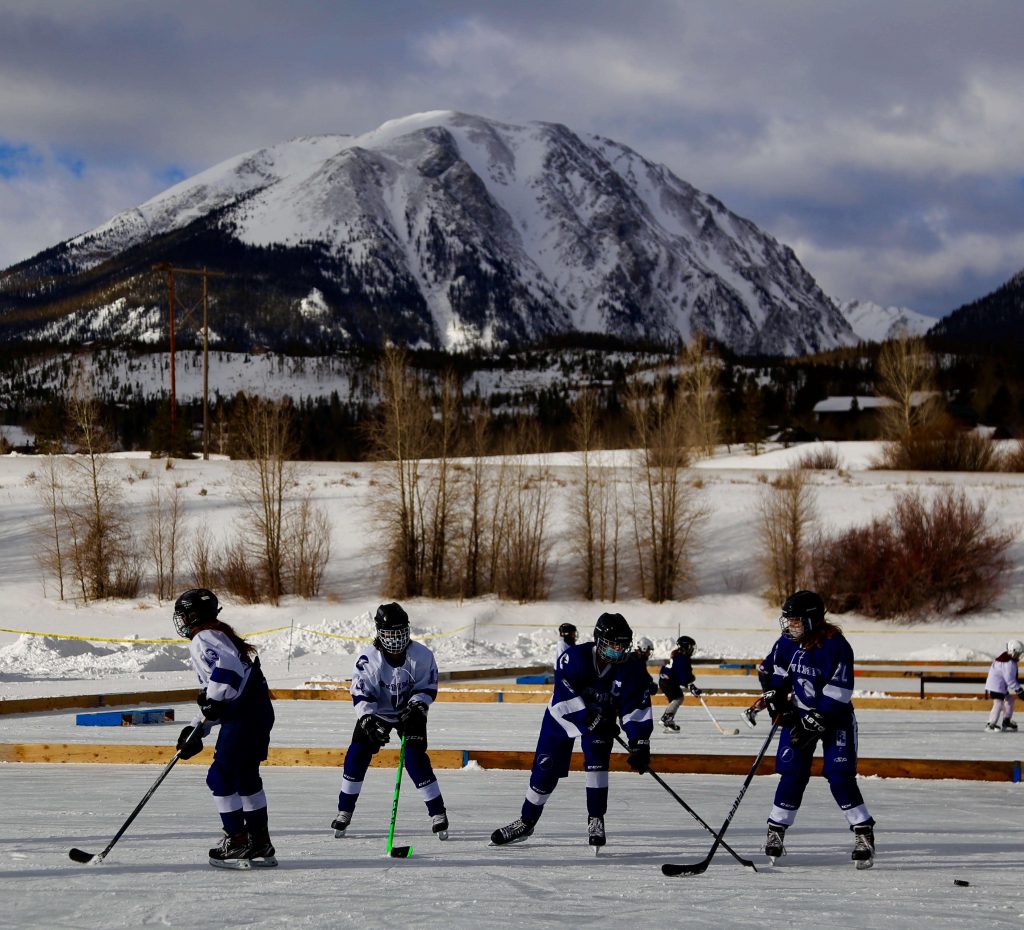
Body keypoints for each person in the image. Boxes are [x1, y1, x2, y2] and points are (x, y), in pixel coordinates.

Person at [490, 612, 654, 850]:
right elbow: (564, 693)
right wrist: (590, 717)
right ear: (599, 641)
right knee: (545, 769)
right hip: (563, 717)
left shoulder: (631, 669)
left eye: (622, 646)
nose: (617, 651)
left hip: (602, 719)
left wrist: (640, 743)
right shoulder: (574, 657)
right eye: (612, 645)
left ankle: (596, 818)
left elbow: (635, 705)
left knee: (597, 762)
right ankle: (526, 821)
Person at [759, 590, 876, 869]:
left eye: (796, 620)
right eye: (788, 620)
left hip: (834, 718)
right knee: (793, 772)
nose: (790, 625)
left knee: (839, 775)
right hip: (799, 715)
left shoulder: (837, 646)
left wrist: (817, 720)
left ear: (812, 620)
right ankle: (776, 829)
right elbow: (771, 673)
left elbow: (840, 691)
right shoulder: (786, 643)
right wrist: (776, 701)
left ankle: (863, 831)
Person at [172, 587, 277, 869]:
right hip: (256, 713)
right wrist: (197, 727)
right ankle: (260, 841)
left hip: (245, 716)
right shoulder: (218, 635)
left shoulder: (204, 637)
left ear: (196, 614)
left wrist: (213, 702)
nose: (181, 621)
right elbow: (225, 690)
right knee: (246, 777)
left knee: (220, 778)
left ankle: (238, 841)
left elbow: (227, 675)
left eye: (184, 614)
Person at [331, 602, 449, 840]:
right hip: (378, 714)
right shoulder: (368, 660)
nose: (396, 640)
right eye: (390, 634)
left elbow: (428, 686)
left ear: (408, 631)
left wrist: (418, 704)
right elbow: (360, 692)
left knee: (415, 759)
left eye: (400, 633)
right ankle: (345, 811)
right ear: (379, 633)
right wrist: (367, 718)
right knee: (356, 754)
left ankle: (438, 813)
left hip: (410, 712)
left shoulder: (422, 656)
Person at [658, 635, 701, 731]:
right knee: (678, 698)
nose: (692, 650)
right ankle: (666, 719)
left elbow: (683, 673)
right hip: (668, 681)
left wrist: (690, 681)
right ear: (686, 647)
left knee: (675, 699)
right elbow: (683, 676)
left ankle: (668, 721)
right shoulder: (682, 658)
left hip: (665, 680)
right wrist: (690, 684)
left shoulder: (679, 656)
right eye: (691, 647)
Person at [984, 639, 1022, 732]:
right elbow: (1009, 679)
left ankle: (1006, 721)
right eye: (1017, 653)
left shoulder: (1007, 660)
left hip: (999, 686)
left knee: (1009, 700)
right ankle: (991, 724)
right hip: (996, 686)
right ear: (1012, 652)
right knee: (998, 703)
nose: (1019, 656)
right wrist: (1019, 690)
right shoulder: (1007, 663)